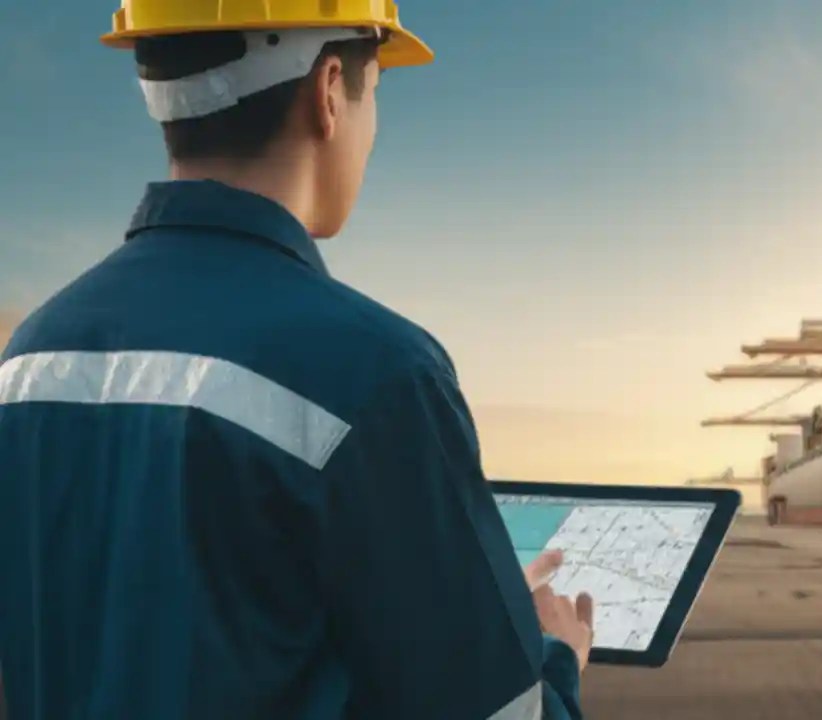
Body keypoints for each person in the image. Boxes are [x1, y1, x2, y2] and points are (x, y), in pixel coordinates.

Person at [0, 2, 593, 718]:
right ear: (328, 91)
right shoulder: (376, 372)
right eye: (374, 93)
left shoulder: (29, 357)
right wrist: (554, 658)